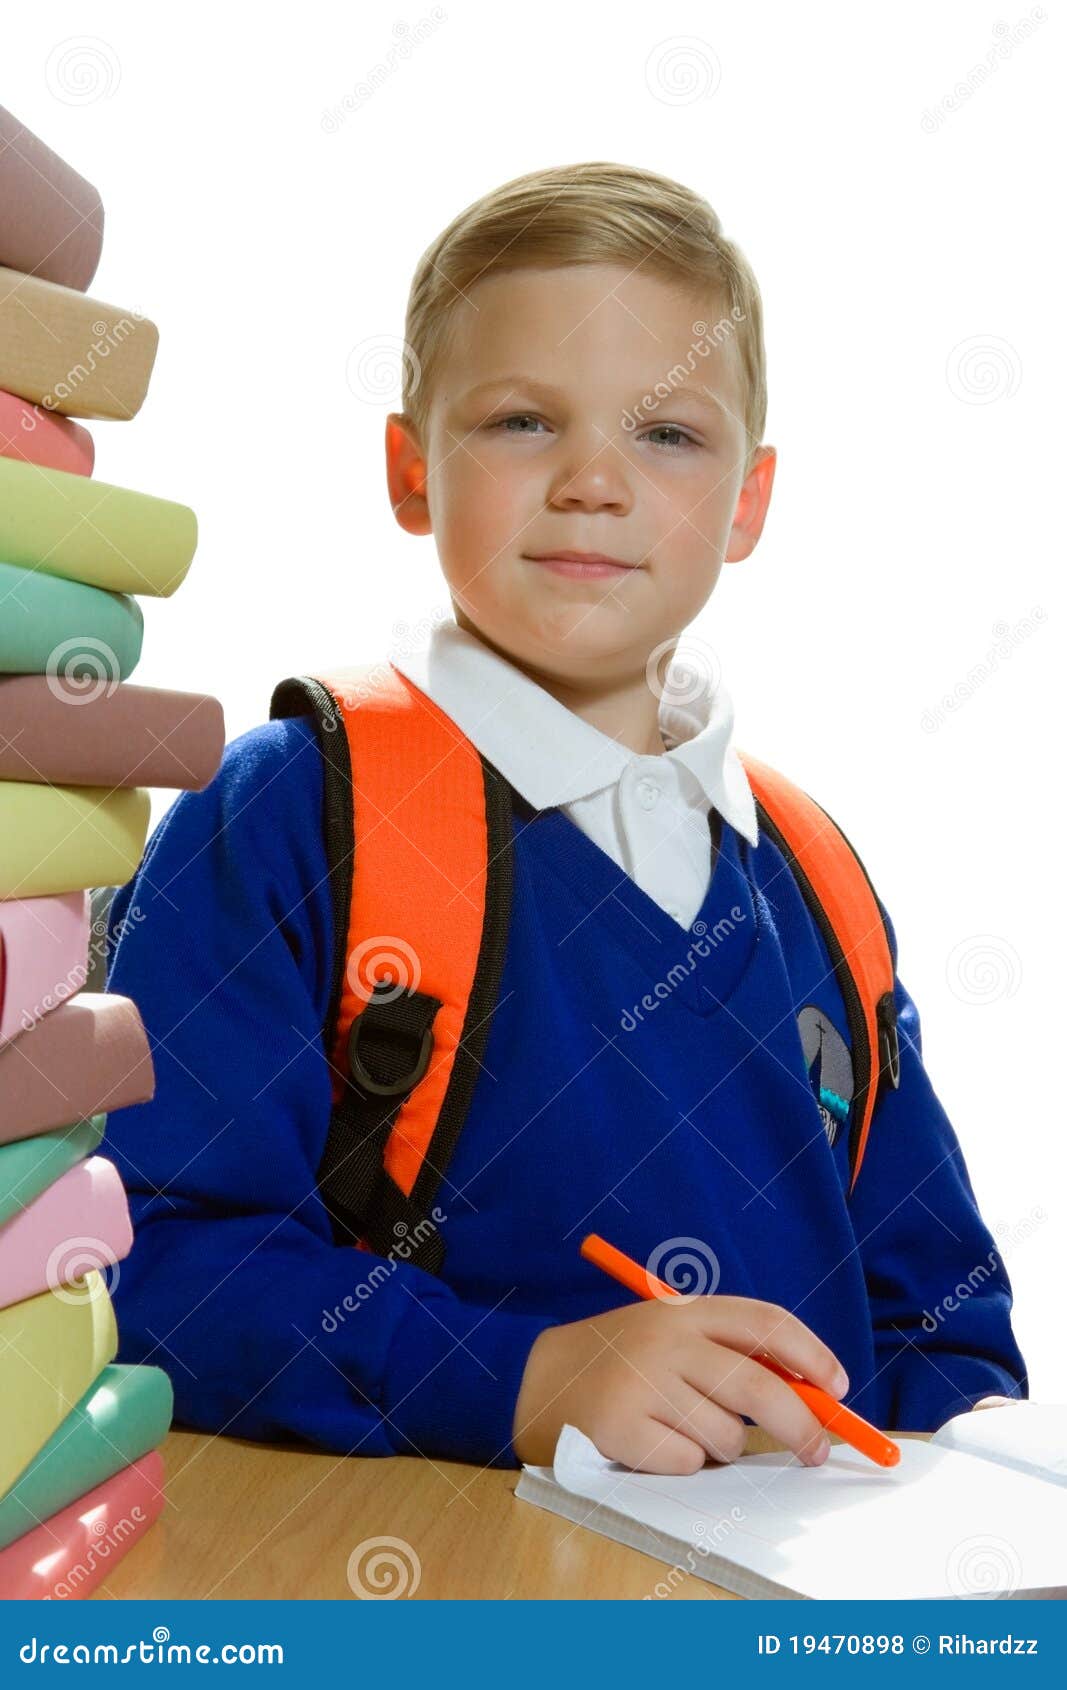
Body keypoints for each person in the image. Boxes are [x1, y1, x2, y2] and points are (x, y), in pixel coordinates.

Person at [104, 161, 1027, 1477]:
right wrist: (523, 1374)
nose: (595, 480)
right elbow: (150, 1264)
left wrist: (983, 1485)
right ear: (411, 471)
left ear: (748, 501)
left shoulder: (812, 874)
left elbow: (945, 1329)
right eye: (525, 421)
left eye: (668, 437)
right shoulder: (292, 809)